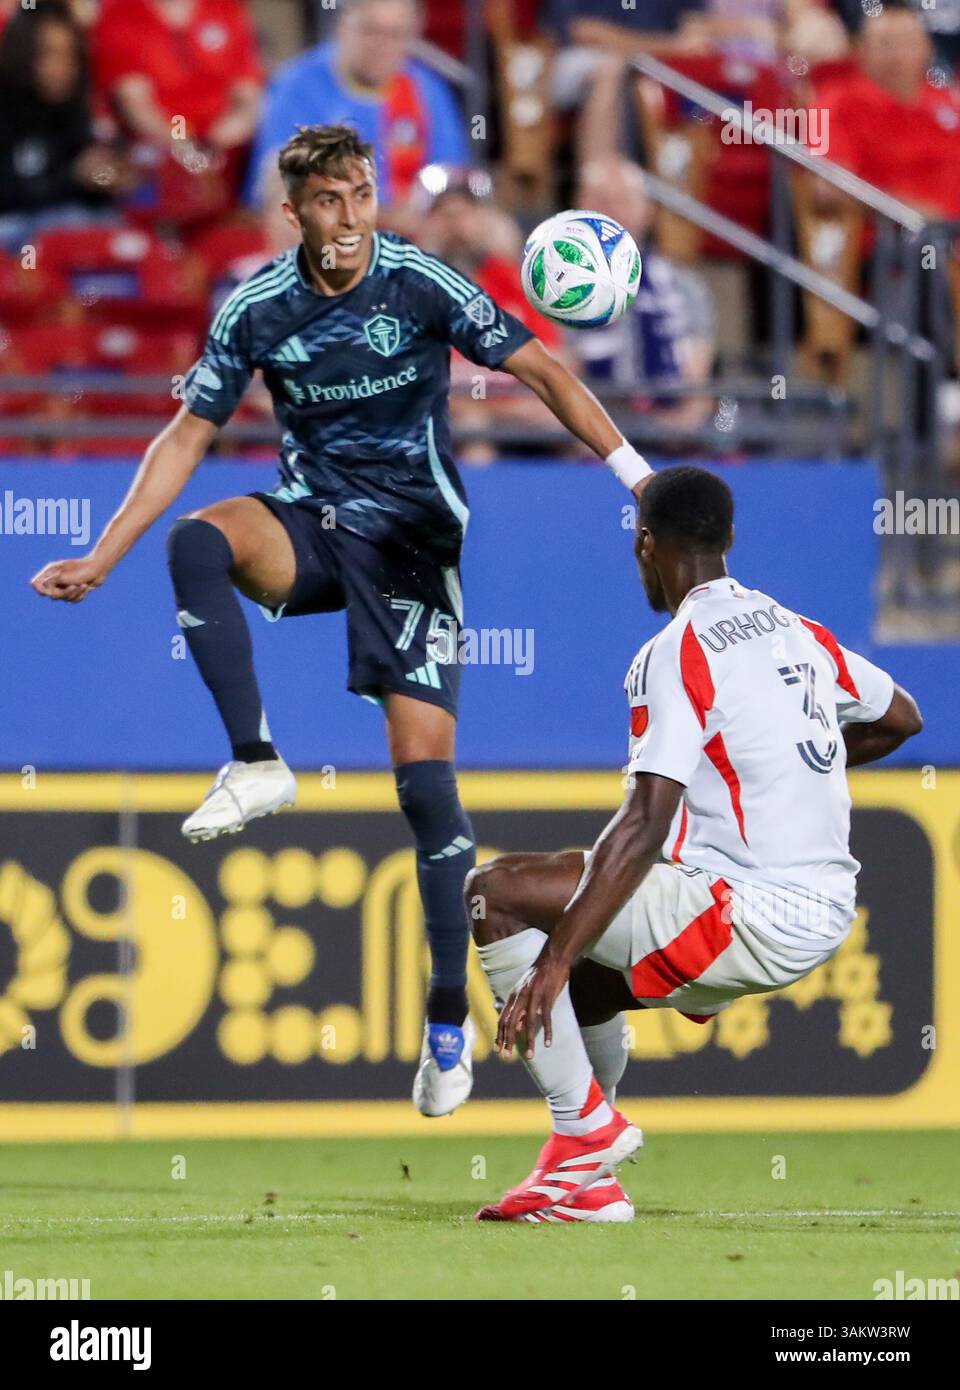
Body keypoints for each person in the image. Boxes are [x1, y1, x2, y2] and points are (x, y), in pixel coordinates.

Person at [31, 123, 654, 1120]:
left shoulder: (419, 282)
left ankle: (448, 1026)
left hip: (412, 547)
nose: (350, 217)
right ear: (294, 213)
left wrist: (639, 476)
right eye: (329, 201)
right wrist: (103, 552)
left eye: (362, 195)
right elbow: (188, 431)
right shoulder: (258, 309)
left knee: (423, 786)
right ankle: (256, 760)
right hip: (315, 527)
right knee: (196, 541)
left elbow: (539, 369)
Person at [467, 466, 922, 1223]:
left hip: (746, 911)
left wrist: (555, 956)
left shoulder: (676, 651)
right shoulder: (796, 629)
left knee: (496, 892)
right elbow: (901, 716)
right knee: (589, 990)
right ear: (730, 538)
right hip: (821, 911)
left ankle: (584, 1135)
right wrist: (784, 763)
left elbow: (644, 824)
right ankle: (588, 1186)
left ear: (644, 545)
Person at [248, 0, 467, 220]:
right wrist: (379, 216)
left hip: (415, 229)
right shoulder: (297, 85)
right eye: (371, 30)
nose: (382, 45)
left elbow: (451, 176)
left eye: (395, 34)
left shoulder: (427, 89)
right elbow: (279, 183)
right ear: (343, 27)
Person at [572, 158, 715, 431]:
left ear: (647, 211)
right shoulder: (551, 283)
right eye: (601, 201)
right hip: (584, 426)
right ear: (578, 207)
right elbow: (558, 368)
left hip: (667, 424)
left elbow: (695, 374)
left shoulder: (683, 285)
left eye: (623, 201)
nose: (611, 212)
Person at [0, 0, 131, 253]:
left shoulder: (75, 109)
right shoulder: (6, 108)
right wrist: (73, 177)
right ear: (22, 54)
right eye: (49, 54)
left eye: (71, 55)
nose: (63, 67)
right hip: (17, 234)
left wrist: (111, 175)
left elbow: (96, 178)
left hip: (77, 228)